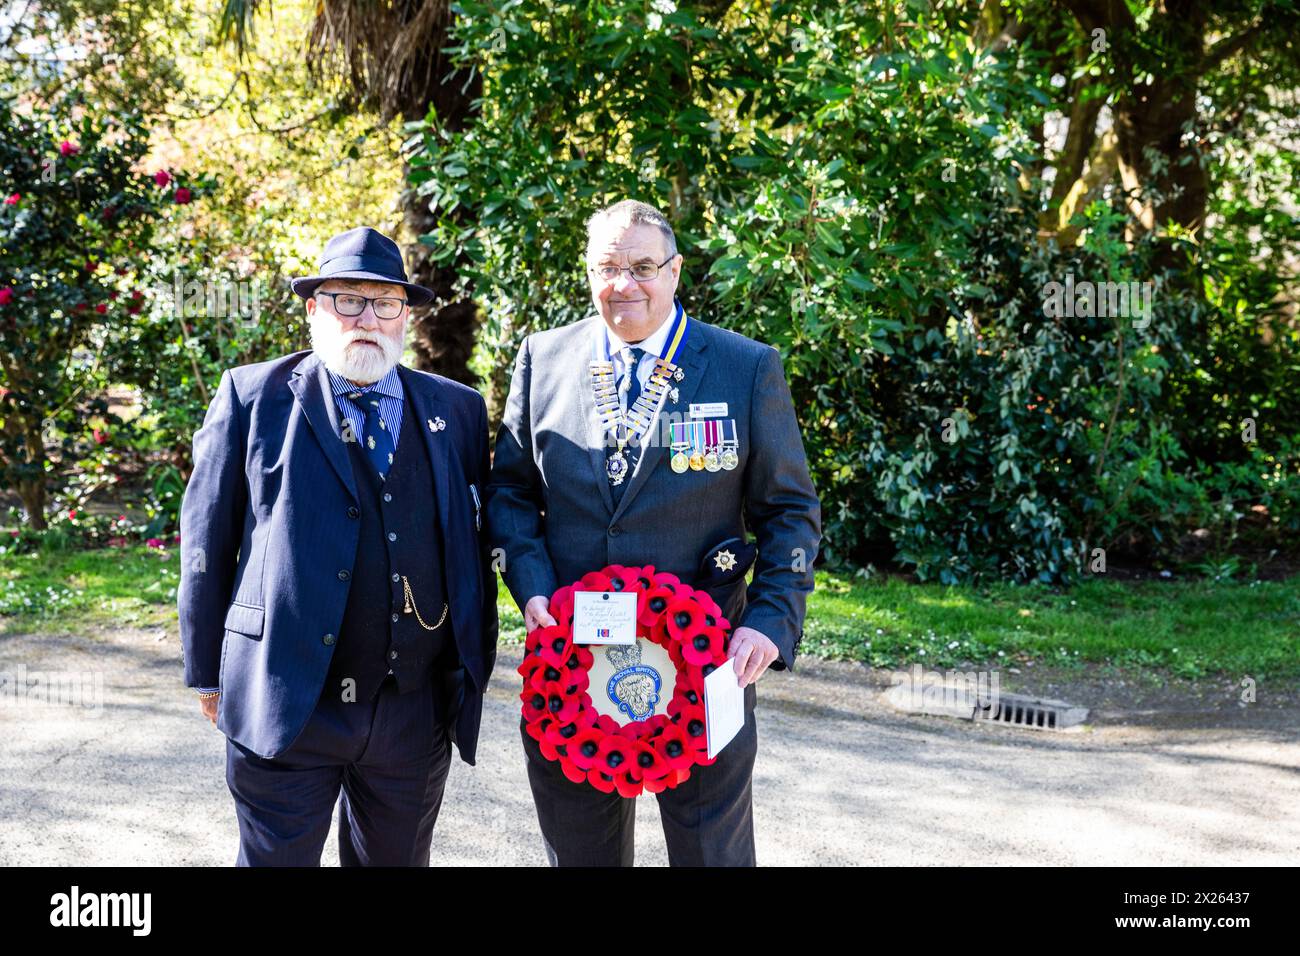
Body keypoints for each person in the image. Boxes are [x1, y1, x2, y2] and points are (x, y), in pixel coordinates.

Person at [487, 199, 822, 866]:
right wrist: (530, 587)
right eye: (609, 267)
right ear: (588, 273)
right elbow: (511, 494)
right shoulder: (543, 358)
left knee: (711, 853)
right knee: (581, 852)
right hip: (571, 666)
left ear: (675, 272)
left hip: (707, 661)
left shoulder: (743, 367)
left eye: (643, 266)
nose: (626, 284)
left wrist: (770, 620)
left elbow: (789, 511)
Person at [178, 226, 497, 866]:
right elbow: (206, 538)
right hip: (285, 694)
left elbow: (477, 533)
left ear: (405, 315)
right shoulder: (252, 396)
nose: (366, 320)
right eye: (346, 301)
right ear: (313, 309)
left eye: (384, 304)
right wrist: (206, 670)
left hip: (412, 707)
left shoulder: (456, 409)